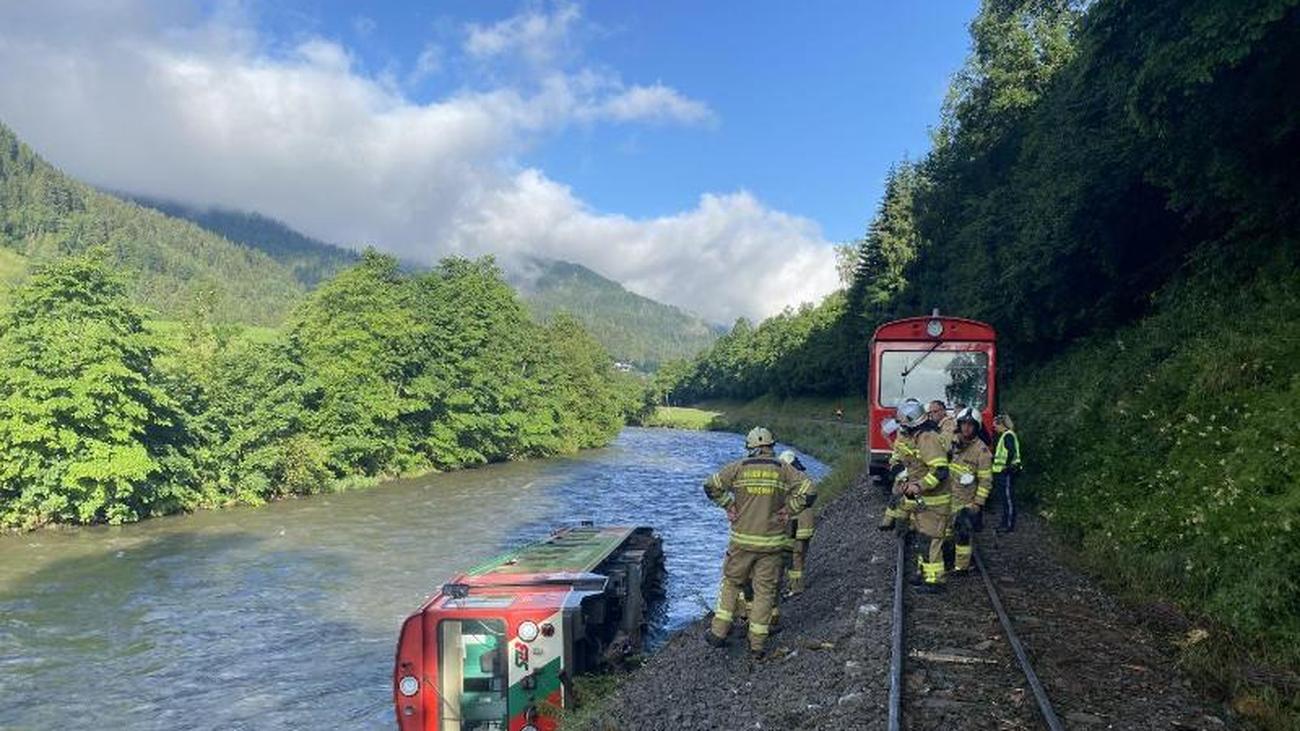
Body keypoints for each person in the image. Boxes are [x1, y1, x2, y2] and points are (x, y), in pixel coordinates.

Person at [704, 427, 813, 658]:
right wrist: (790, 509)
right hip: (772, 545)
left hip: (741, 543)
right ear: (771, 447)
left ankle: (718, 632)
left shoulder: (738, 467)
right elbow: (809, 491)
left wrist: (728, 505)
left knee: (732, 584)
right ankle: (757, 646)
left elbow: (710, 486)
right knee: (764, 592)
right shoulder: (784, 469)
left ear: (750, 448)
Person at [890, 398, 952, 592]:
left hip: (935, 502)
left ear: (911, 422)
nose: (901, 428)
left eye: (903, 424)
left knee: (932, 540)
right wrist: (904, 477)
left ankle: (935, 581)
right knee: (923, 537)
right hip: (924, 501)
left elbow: (940, 471)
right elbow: (913, 464)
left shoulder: (927, 438)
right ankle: (923, 573)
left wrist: (919, 486)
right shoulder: (918, 437)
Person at [946, 407, 993, 573]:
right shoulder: (951, 442)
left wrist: (978, 503)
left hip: (966, 501)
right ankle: (947, 559)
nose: (966, 428)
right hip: (946, 496)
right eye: (964, 424)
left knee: (962, 533)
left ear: (976, 427)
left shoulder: (982, 451)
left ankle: (962, 567)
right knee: (944, 533)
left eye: (970, 425)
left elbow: (986, 481)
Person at [778, 450, 816, 596]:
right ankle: (793, 586)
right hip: (804, 524)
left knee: (794, 556)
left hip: (797, 523)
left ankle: (796, 588)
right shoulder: (802, 477)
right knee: (798, 556)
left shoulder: (793, 479)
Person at [991, 414, 1022, 533]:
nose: (994, 428)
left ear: (1001, 424)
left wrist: (1006, 466)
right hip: (1002, 472)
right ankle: (1004, 523)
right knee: (1004, 499)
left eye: (995, 426)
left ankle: (1009, 525)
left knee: (1008, 499)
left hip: (1007, 472)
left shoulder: (1008, 435)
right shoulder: (1005, 435)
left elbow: (1011, 452)